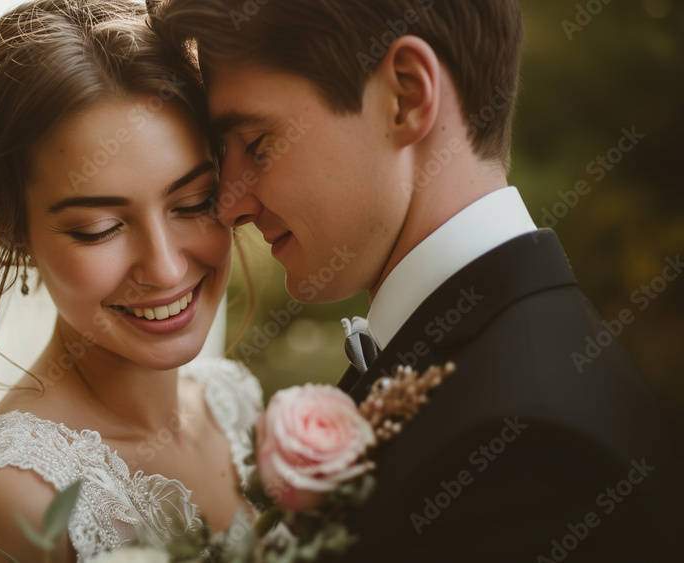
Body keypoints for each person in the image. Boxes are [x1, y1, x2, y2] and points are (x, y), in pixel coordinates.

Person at [151, 0, 682, 561]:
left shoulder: (530, 451)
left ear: (406, 95)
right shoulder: (488, 360)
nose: (229, 204)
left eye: (257, 144)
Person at [0, 1, 262, 562]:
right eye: (99, 228)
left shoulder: (236, 407)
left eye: (194, 202)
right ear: (13, 231)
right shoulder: (18, 501)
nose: (164, 268)